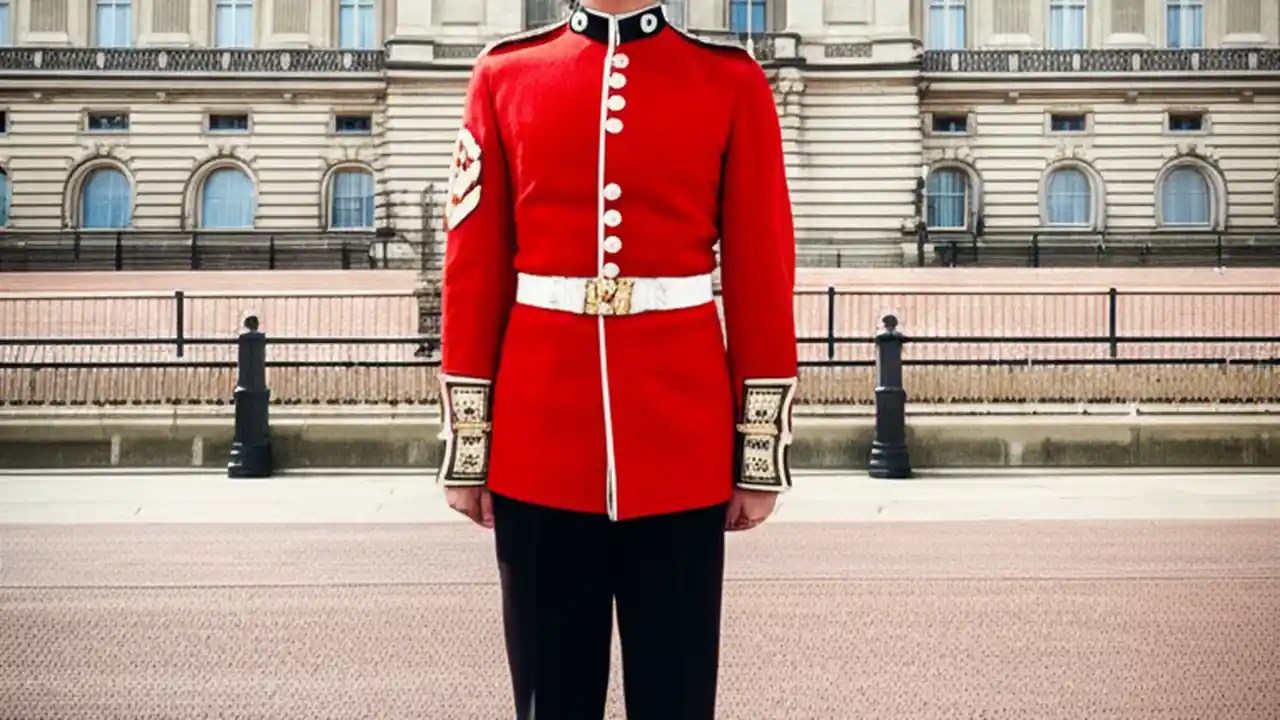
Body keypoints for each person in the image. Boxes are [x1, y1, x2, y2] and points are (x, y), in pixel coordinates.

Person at [436, 0, 798, 717]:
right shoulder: (504, 76)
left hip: (681, 449)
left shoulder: (731, 82)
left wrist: (757, 456)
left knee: (676, 699)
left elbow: (760, 273)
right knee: (550, 700)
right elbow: (472, 271)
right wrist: (468, 451)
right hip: (539, 445)